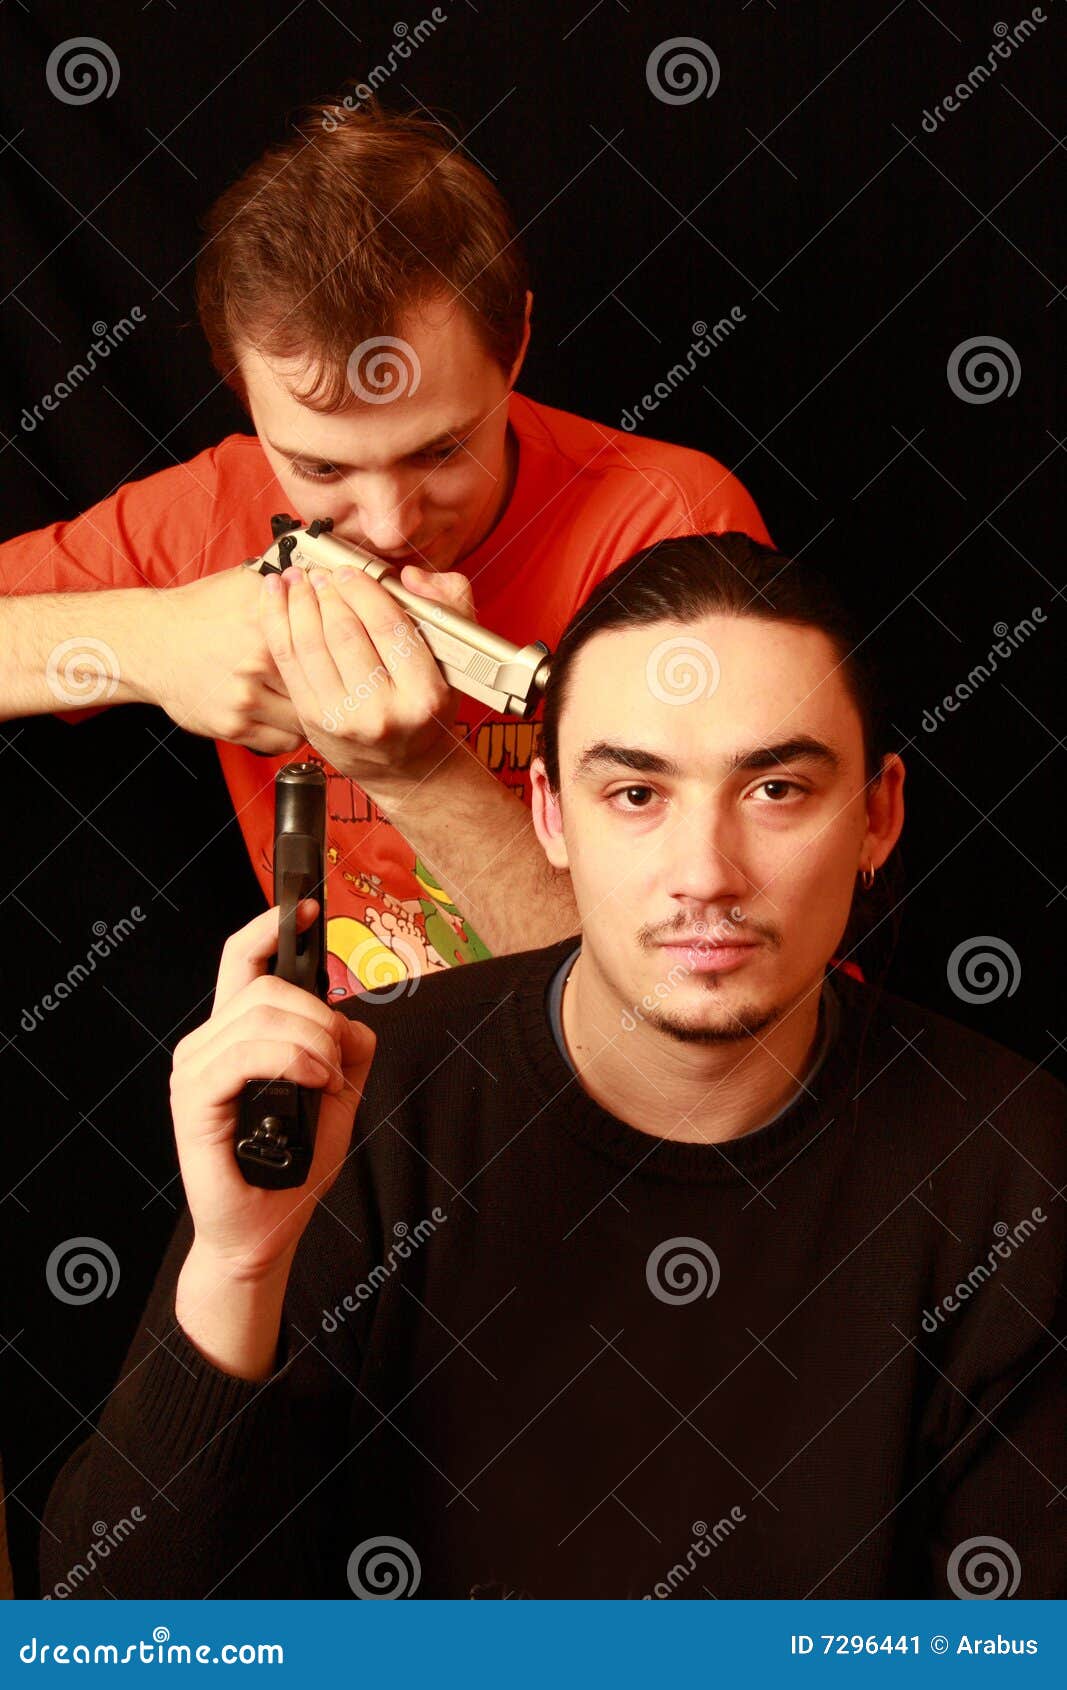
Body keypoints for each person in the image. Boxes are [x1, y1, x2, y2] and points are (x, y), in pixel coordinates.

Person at [39, 531, 1066, 1600]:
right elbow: (120, 1635)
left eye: (774, 791)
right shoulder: (365, 1098)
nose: (703, 874)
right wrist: (237, 1266)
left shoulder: (1016, 1167)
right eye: (634, 795)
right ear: (549, 816)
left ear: (877, 815)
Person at [0, 94, 770, 1001]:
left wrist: (420, 773)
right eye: (320, 468)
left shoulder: (670, 521)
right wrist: (153, 641)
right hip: (364, 1084)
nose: (391, 524)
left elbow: (692, 1000)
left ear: (515, 342)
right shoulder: (213, 508)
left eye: (439, 450)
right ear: (242, 393)